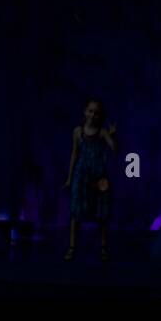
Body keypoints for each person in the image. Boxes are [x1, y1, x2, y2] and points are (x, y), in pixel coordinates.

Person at [63, 98, 117, 262]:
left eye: (96, 113)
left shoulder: (102, 132)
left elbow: (114, 149)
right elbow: (74, 155)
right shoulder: (77, 132)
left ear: (100, 115)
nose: (93, 115)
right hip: (81, 176)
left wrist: (112, 135)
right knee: (75, 213)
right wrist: (69, 178)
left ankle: (103, 248)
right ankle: (72, 248)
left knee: (102, 213)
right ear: (85, 112)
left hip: (98, 176)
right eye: (90, 111)